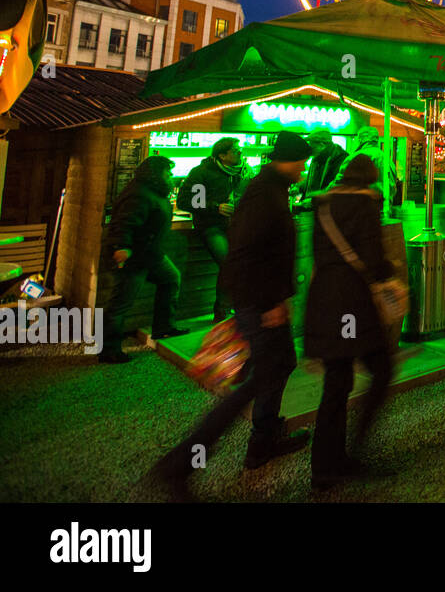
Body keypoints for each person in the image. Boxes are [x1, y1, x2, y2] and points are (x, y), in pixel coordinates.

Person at [150, 131, 313, 497]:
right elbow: (251, 251)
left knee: (279, 364)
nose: (304, 168)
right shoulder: (264, 195)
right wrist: (271, 301)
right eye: (300, 161)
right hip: (260, 302)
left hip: (261, 300)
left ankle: (263, 438)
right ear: (284, 160)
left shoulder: (269, 189)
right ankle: (182, 463)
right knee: (256, 380)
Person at [304, 155, 396, 490]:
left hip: (324, 301)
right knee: (382, 369)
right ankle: (351, 450)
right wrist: (391, 274)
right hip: (353, 305)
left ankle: (326, 465)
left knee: (337, 380)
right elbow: (372, 258)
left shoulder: (323, 203)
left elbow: (318, 253)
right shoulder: (365, 204)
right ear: (370, 178)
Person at [99, 156, 186, 363]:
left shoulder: (152, 190)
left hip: (150, 254)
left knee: (171, 279)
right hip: (135, 256)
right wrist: (121, 247)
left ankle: (164, 327)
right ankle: (109, 350)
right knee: (120, 303)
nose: (171, 176)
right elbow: (124, 222)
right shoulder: (139, 194)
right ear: (156, 174)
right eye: (168, 173)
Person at [179, 138, 245, 321]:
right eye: (235, 150)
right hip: (211, 226)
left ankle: (229, 309)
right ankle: (222, 311)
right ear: (222, 155)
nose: (240, 152)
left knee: (236, 265)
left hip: (234, 226)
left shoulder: (240, 173)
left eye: (239, 149)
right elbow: (188, 201)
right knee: (229, 263)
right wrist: (216, 207)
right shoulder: (202, 173)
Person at [302, 128, 347, 196]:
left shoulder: (341, 159)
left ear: (321, 145)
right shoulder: (317, 158)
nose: (310, 150)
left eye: (312, 146)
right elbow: (312, 183)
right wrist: (299, 188)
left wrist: (314, 199)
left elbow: (338, 186)